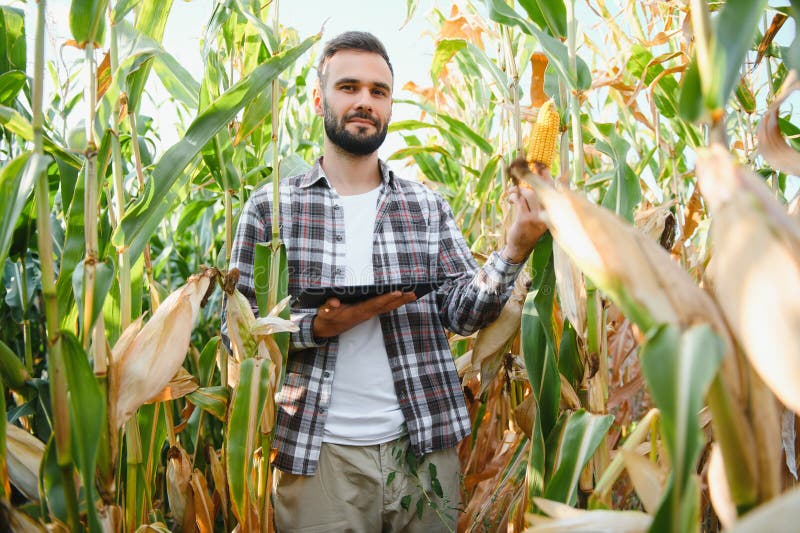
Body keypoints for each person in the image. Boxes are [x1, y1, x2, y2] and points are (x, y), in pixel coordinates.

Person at [228, 31, 546, 533]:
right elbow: (239, 334)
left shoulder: (425, 206)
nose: (364, 102)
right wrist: (318, 326)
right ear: (319, 99)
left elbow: (463, 313)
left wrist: (513, 249)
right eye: (348, 87)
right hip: (317, 454)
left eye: (378, 91)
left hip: (423, 446)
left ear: (390, 105)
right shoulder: (272, 208)